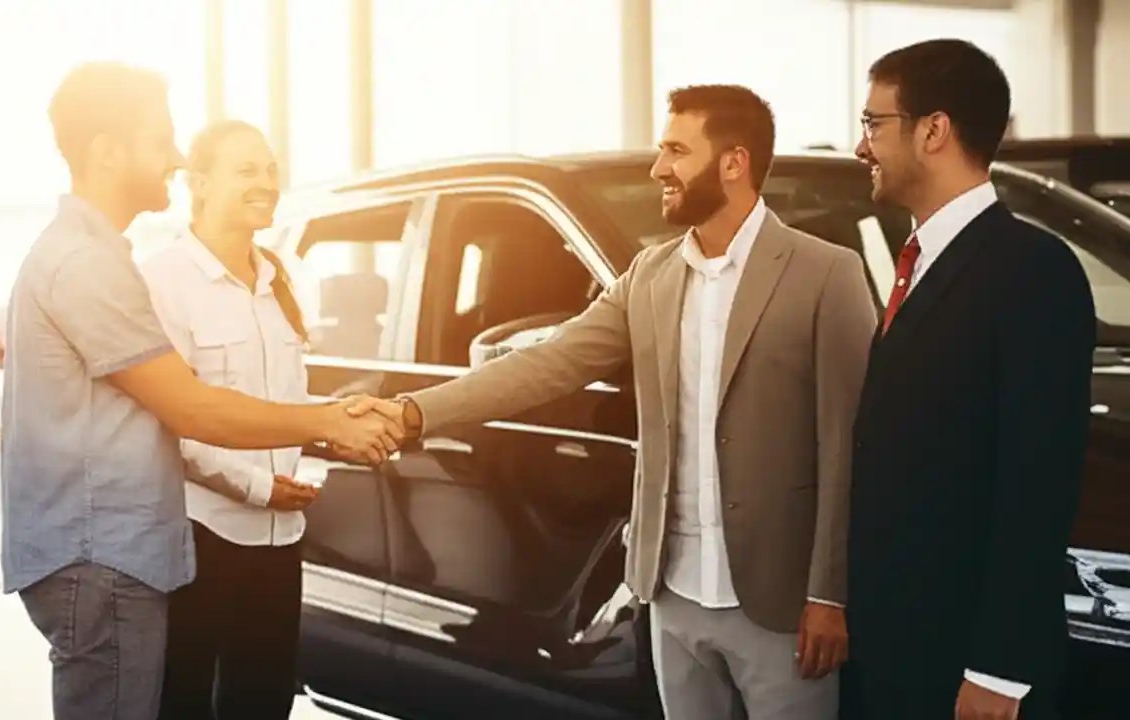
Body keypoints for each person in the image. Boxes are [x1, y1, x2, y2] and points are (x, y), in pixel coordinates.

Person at [359, 85, 876, 719]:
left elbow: (849, 445)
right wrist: (415, 412)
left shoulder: (827, 273)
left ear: (733, 163)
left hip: (779, 604)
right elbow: (547, 364)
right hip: (671, 594)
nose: (661, 167)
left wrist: (831, 597)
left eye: (677, 151)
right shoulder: (649, 277)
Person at [1, 62, 402, 720]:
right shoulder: (91, 265)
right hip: (103, 557)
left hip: (117, 555)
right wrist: (327, 421)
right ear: (109, 151)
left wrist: (320, 427)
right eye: (161, 140)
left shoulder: (93, 259)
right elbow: (189, 408)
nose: (176, 157)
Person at [846, 39, 1095, 720]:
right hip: (897, 648)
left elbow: (1036, 486)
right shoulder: (918, 260)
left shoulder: (1031, 271)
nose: (861, 145)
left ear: (933, 130)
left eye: (873, 123)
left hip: (969, 668)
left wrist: (1000, 670)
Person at [140, 120, 314, 719]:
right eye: (247, 170)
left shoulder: (278, 275)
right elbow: (171, 419)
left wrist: (334, 430)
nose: (267, 182)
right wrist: (262, 487)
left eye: (270, 168)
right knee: (185, 705)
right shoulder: (162, 279)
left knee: (264, 705)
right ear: (201, 183)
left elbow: (288, 403)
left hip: (281, 538)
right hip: (202, 537)